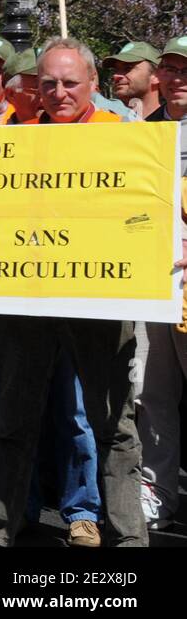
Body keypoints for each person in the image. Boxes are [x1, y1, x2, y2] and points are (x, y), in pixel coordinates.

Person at [0, 38, 144, 547]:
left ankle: (129, 537)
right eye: (49, 84)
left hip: (102, 300)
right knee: (13, 419)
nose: (59, 92)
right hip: (28, 298)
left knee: (113, 425)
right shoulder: (12, 137)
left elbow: (153, 205)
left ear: (93, 86)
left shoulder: (125, 136)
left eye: (70, 82)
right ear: (35, 87)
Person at [136, 35, 187, 530]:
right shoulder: (142, 131)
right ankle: (158, 491)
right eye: (170, 68)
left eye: (185, 69)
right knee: (152, 393)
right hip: (152, 284)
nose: (177, 78)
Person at [103, 41, 161, 119]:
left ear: (156, 76)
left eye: (128, 68)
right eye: (115, 70)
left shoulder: (174, 125)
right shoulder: (105, 122)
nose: (116, 75)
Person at [2, 49, 39, 124]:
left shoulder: (66, 131)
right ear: (11, 94)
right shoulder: (3, 134)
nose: (47, 95)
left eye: (49, 85)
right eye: (36, 87)